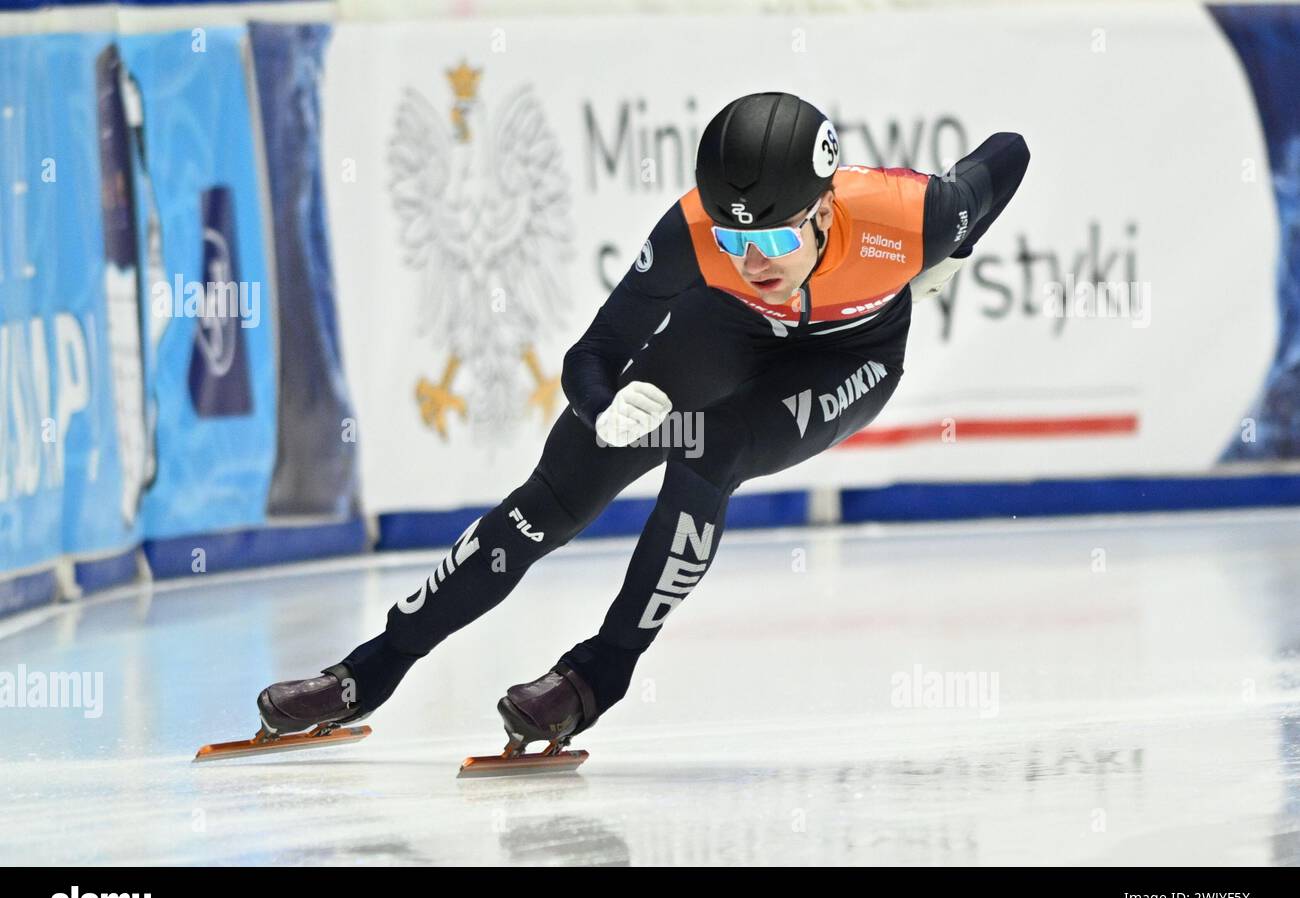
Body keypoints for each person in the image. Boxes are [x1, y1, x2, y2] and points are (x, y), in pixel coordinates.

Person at [255, 91, 1030, 751]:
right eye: (735, 238)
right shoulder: (692, 233)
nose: (753, 256)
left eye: (772, 237)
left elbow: (1009, 153)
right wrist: (604, 406)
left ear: (825, 208)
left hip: (848, 356)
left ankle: (600, 672)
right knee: (561, 484)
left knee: (715, 448)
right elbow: (591, 353)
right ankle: (370, 669)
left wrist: (950, 259)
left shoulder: (912, 215)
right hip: (730, 330)